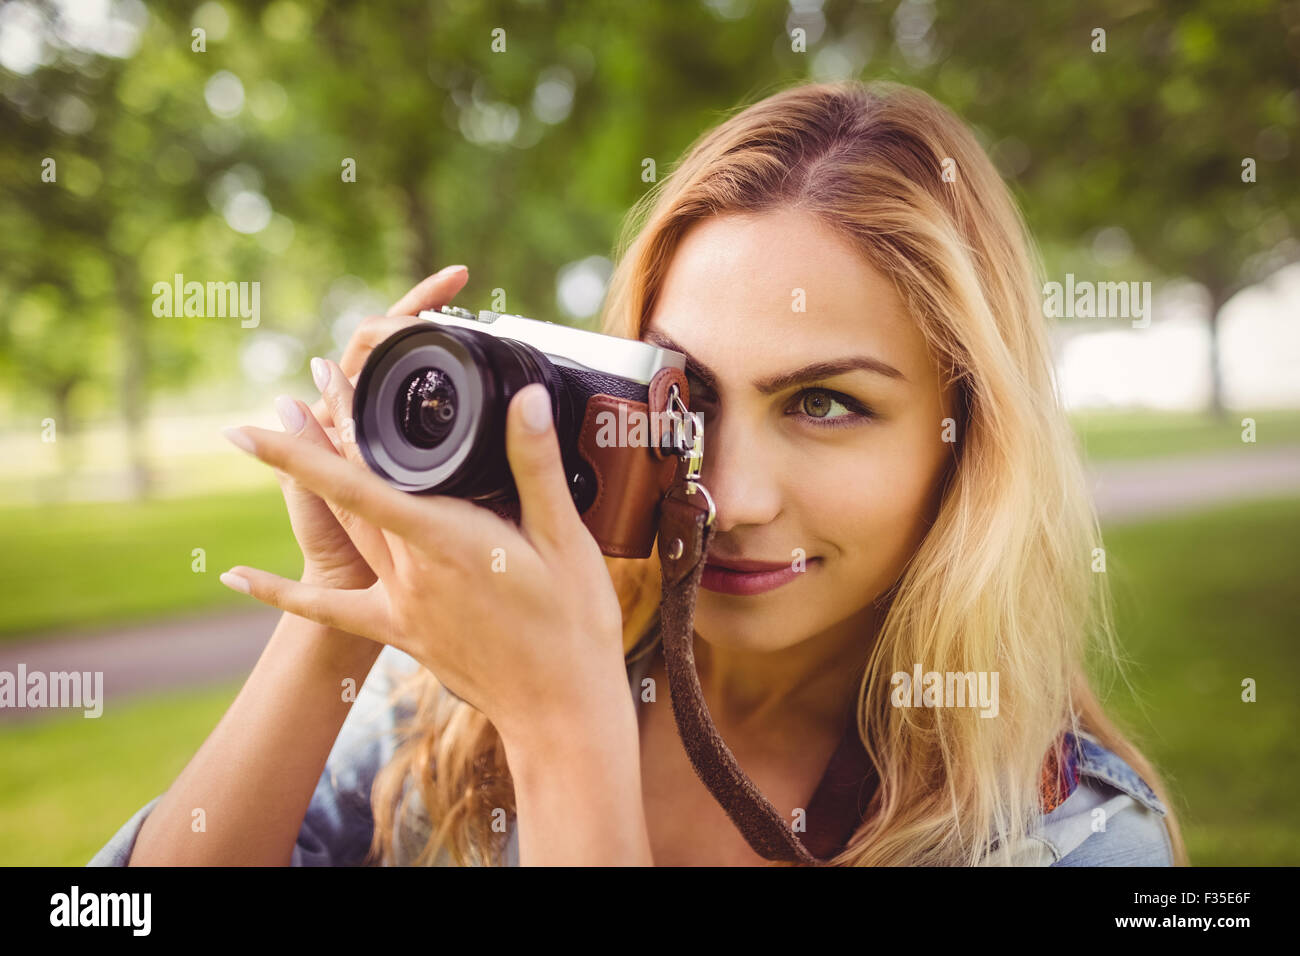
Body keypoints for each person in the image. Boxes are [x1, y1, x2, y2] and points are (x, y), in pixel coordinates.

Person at [89, 79, 1183, 867]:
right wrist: (341, 610)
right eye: (688, 401)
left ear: (969, 439)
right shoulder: (449, 702)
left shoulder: (1068, 836)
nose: (736, 496)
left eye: (824, 403)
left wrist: (566, 734)